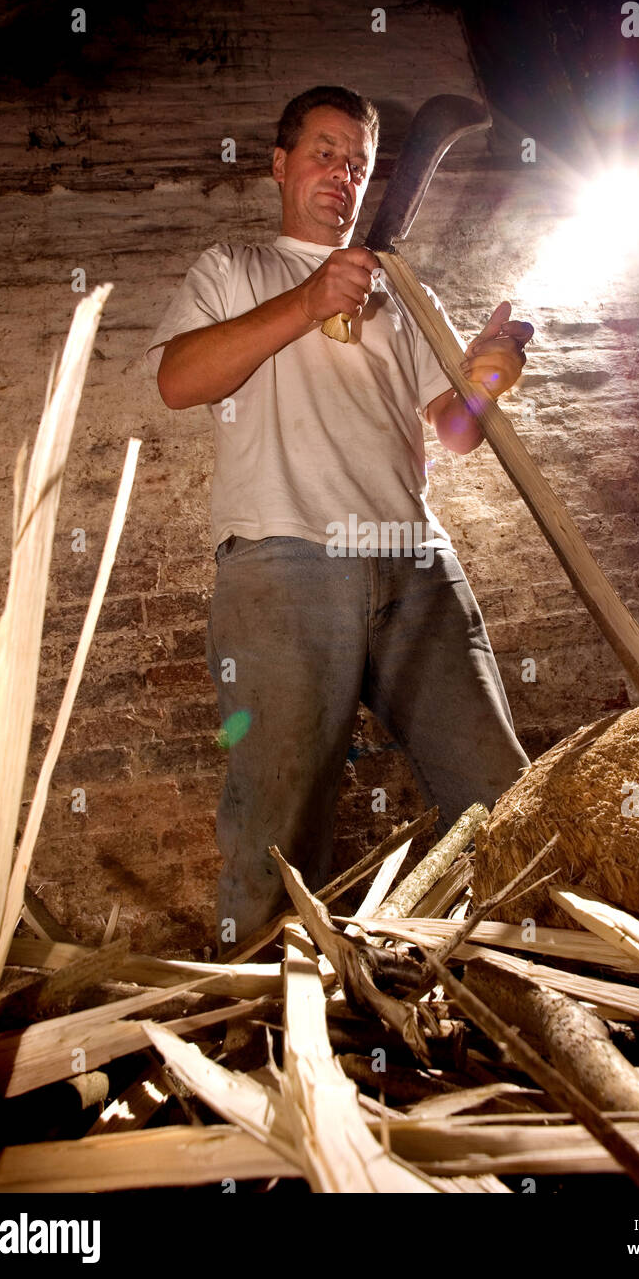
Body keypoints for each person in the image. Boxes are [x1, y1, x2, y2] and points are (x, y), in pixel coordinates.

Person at [146, 85, 534, 957]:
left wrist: (484, 380)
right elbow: (178, 382)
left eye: (357, 163)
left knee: (497, 790)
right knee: (280, 816)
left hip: (413, 560)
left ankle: (525, 977)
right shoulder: (232, 268)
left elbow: (452, 435)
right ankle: (263, 1025)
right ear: (281, 165)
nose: (341, 174)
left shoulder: (399, 287)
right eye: (323, 152)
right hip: (282, 563)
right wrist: (307, 300)